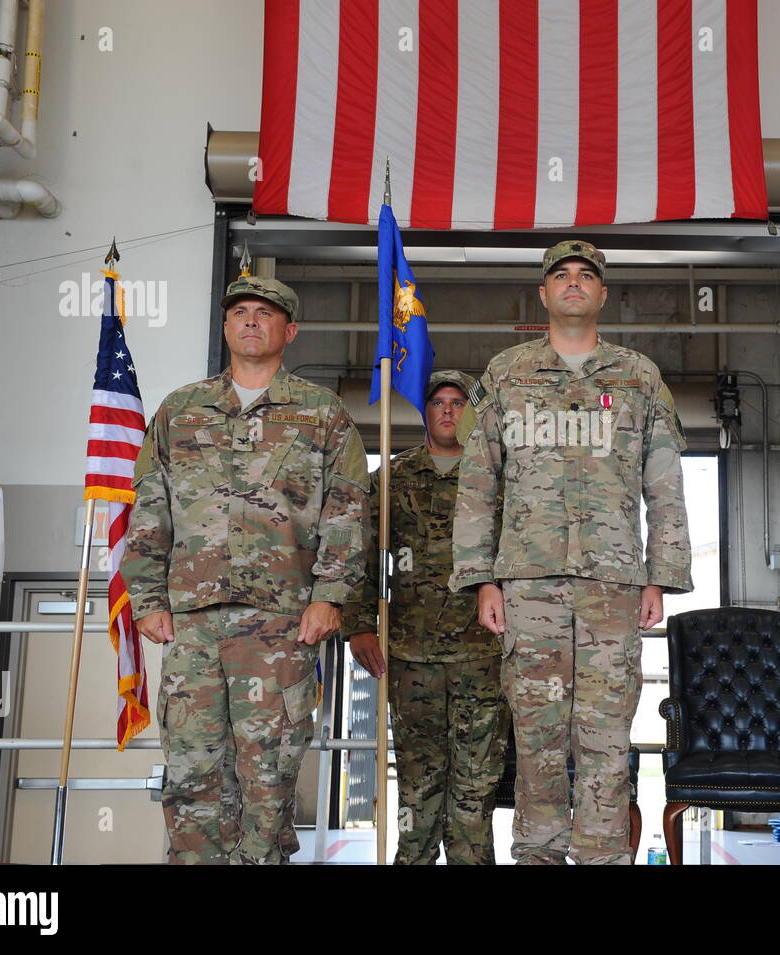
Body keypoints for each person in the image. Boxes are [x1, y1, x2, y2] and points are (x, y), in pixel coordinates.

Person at [450, 240, 693, 865]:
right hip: (527, 588)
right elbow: (479, 482)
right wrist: (482, 578)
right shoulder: (505, 375)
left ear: (603, 294)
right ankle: (536, 857)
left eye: (587, 276)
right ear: (543, 293)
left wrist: (660, 578)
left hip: (613, 587)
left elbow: (664, 481)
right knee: (535, 742)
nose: (575, 284)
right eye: (562, 275)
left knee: (607, 744)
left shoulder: (638, 377)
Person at [122, 275, 371, 864]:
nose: (252, 321)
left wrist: (330, 594)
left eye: (266, 312)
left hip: (281, 624)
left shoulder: (322, 414)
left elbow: (348, 507)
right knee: (192, 771)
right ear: (227, 327)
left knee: (271, 775)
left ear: (290, 330)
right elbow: (150, 507)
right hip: (192, 622)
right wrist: (148, 597)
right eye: (240, 312)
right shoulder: (180, 412)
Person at [343, 370, 510, 865]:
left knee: (476, 781)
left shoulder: (497, 480)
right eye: (438, 402)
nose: (447, 411)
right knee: (417, 777)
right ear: (424, 411)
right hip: (411, 652)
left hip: (482, 652)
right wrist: (359, 624)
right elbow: (359, 554)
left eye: (458, 402)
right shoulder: (393, 478)